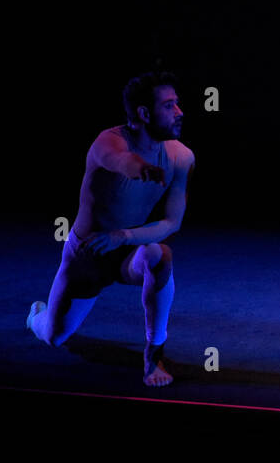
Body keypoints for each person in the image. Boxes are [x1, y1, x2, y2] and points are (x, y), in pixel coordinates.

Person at [25, 72, 195, 387]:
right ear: (144, 114)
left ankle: (154, 355)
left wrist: (123, 236)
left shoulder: (181, 157)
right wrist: (140, 167)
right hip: (87, 257)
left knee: (161, 257)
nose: (179, 112)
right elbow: (121, 160)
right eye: (169, 105)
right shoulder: (108, 141)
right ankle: (38, 316)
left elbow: (173, 223)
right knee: (54, 337)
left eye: (178, 104)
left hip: (127, 253)